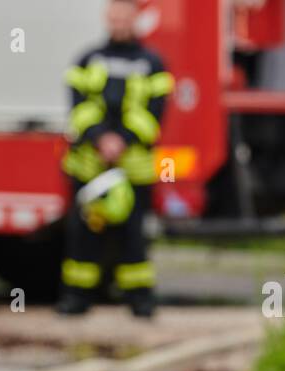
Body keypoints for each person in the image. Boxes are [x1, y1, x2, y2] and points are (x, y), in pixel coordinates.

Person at [58, 0, 172, 318]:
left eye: (125, 16)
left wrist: (122, 140)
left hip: (133, 169)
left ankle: (140, 301)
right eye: (114, 16)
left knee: (133, 238)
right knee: (83, 238)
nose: (119, 22)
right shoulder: (88, 59)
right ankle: (76, 299)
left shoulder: (152, 63)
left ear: (137, 20)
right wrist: (100, 138)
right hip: (89, 166)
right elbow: (79, 107)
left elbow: (155, 112)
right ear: (106, 18)